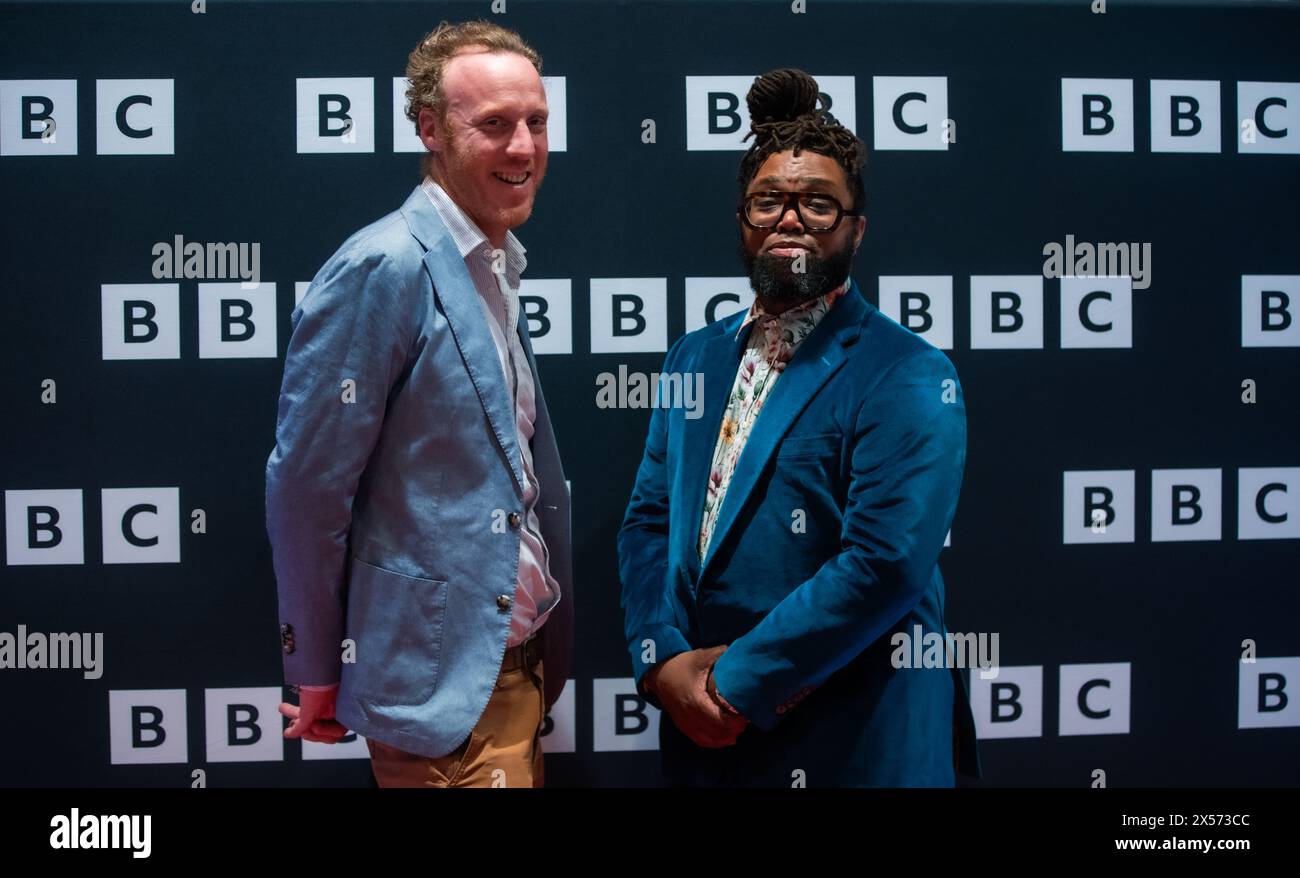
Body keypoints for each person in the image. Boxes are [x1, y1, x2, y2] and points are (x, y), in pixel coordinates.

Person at [618, 68, 979, 787]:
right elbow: (649, 523)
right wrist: (661, 661)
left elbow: (884, 563)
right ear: (743, 219)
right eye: (769, 201)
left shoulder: (907, 371)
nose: (790, 219)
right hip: (704, 738)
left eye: (818, 203)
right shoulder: (693, 356)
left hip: (852, 737)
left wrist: (733, 687)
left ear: (855, 228)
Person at [265, 20, 571, 788]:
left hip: (513, 667)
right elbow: (307, 487)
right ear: (430, 129)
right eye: (494, 125)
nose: (524, 147)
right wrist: (316, 664)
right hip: (438, 690)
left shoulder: (491, 261)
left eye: (536, 122)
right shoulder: (384, 265)